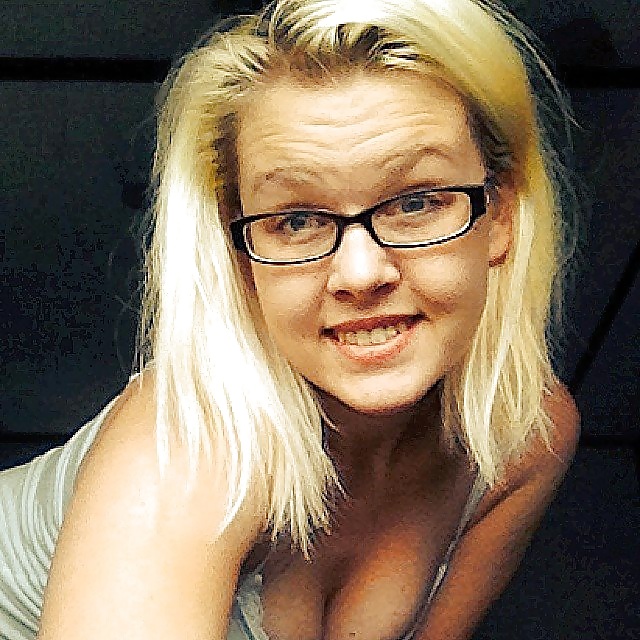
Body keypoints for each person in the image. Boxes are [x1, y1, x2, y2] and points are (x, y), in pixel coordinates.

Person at [1, 0, 582, 638]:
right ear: (238, 251)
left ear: (499, 216)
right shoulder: (189, 451)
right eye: (297, 220)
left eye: (416, 202)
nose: (360, 273)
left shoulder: (529, 436)